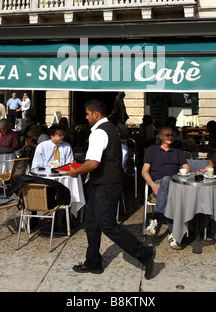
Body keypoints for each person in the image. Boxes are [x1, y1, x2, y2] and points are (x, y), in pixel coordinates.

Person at [68, 99, 156, 280]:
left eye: (87, 114)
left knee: (107, 225)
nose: (86, 117)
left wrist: (76, 171)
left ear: (95, 114)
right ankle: (93, 262)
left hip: (106, 185)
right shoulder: (110, 128)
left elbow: (93, 163)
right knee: (91, 223)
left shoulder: (99, 133)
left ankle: (144, 253)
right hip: (103, 183)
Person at [142, 126, 190, 249]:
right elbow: (144, 171)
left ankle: (156, 218)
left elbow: (187, 168)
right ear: (160, 137)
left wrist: (183, 171)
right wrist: (152, 185)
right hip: (158, 183)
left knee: (168, 179)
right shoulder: (152, 150)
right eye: (167, 135)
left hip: (174, 184)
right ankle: (172, 234)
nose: (170, 137)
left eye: (171, 135)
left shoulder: (177, 152)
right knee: (167, 186)